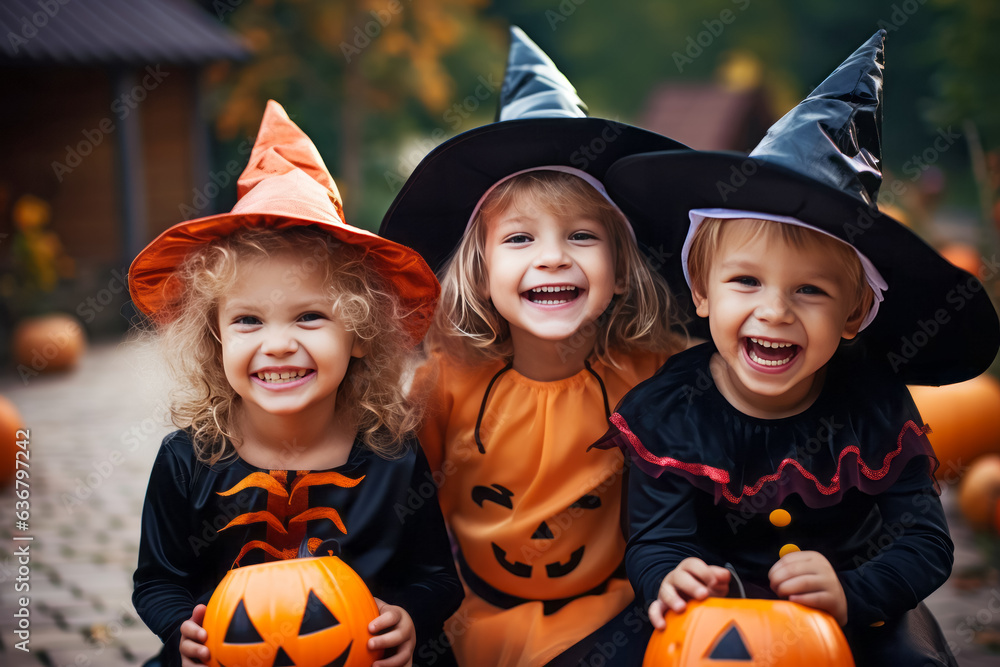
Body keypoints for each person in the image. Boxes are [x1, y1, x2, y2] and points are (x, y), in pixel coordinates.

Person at [600, 31, 1000, 666]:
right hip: (714, 619)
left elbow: (923, 540)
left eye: (810, 290)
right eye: (746, 281)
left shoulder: (872, 404)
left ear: (854, 313)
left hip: (858, 616)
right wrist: (670, 575)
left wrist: (853, 591)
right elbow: (656, 537)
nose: (776, 311)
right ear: (701, 291)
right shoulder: (671, 411)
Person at [380, 27, 688, 666]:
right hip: (471, 612)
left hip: (615, 613)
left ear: (623, 268)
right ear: (480, 271)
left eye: (581, 236)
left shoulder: (659, 375)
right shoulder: (445, 383)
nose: (552, 258)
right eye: (520, 239)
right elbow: (404, 512)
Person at [128, 101, 462, 667]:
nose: (278, 343)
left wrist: (412, 615)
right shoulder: (187, 459)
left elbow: (435, 576)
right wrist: (179, 628)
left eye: (310, 316)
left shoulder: (390, 456)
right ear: (216, 338)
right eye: (248, 321)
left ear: (359, 335)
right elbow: (158, 580)